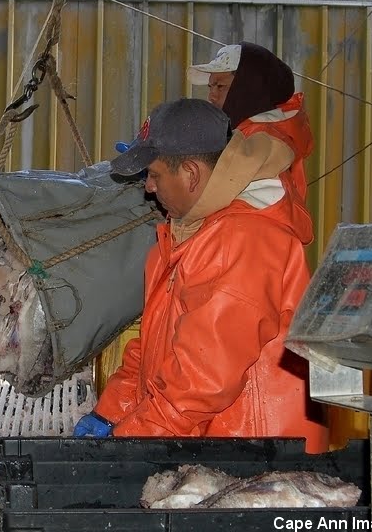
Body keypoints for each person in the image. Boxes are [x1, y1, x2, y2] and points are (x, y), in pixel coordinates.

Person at [75, 98, 329, 453]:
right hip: (217, 449)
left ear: (191, 174)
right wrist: (109, 412)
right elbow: (155, 346)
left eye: (155, 174)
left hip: (257, 460)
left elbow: (202, 379)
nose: (148, 187)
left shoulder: (242, 239)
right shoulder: (188, 234)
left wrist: (128, 445)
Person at [187, 41, 313, 205]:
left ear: (247, 88)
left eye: (220, 86)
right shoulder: (272, 128)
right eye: (210, 87)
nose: (211, 96)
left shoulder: (260, 140)